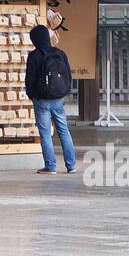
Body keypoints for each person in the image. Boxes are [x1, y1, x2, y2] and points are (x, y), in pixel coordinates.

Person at [25, 24, 76, 175]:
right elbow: (68, 75)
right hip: (58, 98)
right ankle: (71, 165)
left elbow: (30, 80)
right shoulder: (60, 53)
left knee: (46, 134)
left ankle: (50, 166)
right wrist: (63, 91)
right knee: (64, 131)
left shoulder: (34, 56)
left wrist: (32, 95)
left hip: (41, 100)